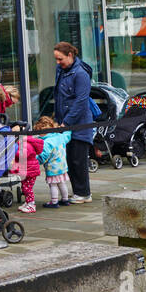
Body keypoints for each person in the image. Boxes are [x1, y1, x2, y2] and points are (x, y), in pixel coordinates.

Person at [52, 41, 94, 204]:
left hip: (79, 123)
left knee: (78, 159)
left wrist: (66, 122)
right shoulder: (61, 70)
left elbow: (81, 101)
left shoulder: (80, 74)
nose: (58, 63)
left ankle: (84, 193)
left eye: (60, 59)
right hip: (65, 121)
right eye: (56, 59)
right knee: (70, 159)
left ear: (70, 55)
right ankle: (79, 192)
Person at [34, 115, 72, 208]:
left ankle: (54, 202)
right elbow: (67, 136)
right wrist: (67, 129)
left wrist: (36, 160)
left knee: (53, 185)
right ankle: (65, 199)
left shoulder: (47, 142)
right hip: (62, 166)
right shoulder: (60, 136)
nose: (39, 135)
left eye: (40, 133)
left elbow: (44, 155)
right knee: (62, 183)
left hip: (52, 168)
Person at [11, 124, 44, 214]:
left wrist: (13, 151)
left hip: (30, 170)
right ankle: (27, 202)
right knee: (25, 187)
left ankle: (31, 205)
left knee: (27, 188)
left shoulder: (26, 143)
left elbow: (23, 154)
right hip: (26, 170)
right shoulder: (21, 143)